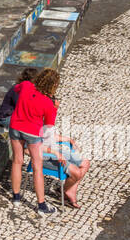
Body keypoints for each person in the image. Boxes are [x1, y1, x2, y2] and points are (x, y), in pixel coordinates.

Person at [8, 68, 60, 215]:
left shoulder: (25, 85)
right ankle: (41, 205)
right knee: (38, 167)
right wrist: (55, 108)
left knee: (17, 161)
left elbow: (16, 89)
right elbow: (49, 125)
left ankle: (16, 197)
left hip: (15, 126)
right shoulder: (48, 103)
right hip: (32, 132)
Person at [39, 124, 90, 208]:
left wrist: (69, 140)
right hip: (42, 157)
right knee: (76, 172)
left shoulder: (42, 118)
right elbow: (28, 150)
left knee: (85, 163)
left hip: (54, 151)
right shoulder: (29, 123)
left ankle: (67, 190)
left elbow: (52, 136)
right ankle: (68, 193)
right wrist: (54, 153)